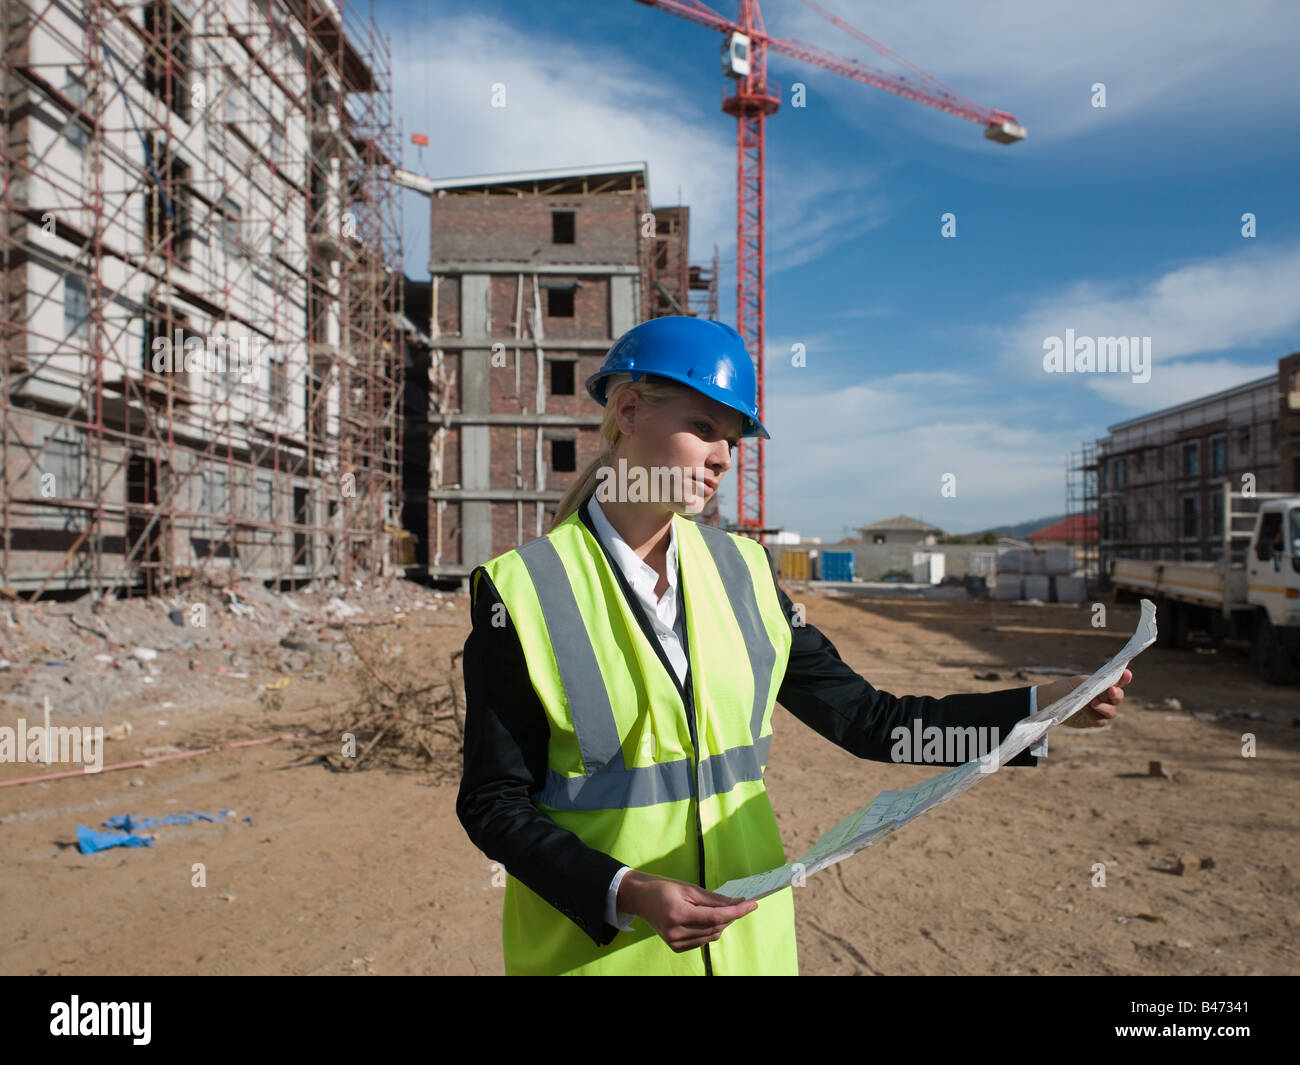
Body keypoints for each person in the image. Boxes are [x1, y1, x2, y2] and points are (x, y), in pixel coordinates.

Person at [456, 315, 1132, 976]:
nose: (723, 457)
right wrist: (627, 889)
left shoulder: (747, 576)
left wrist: (1042, 711)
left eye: (735, 439)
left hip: (750, 950)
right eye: (704, 428)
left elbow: (876, 723)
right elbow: (493, 803)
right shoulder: (524, 590)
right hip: (602, 957)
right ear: (628, 411)